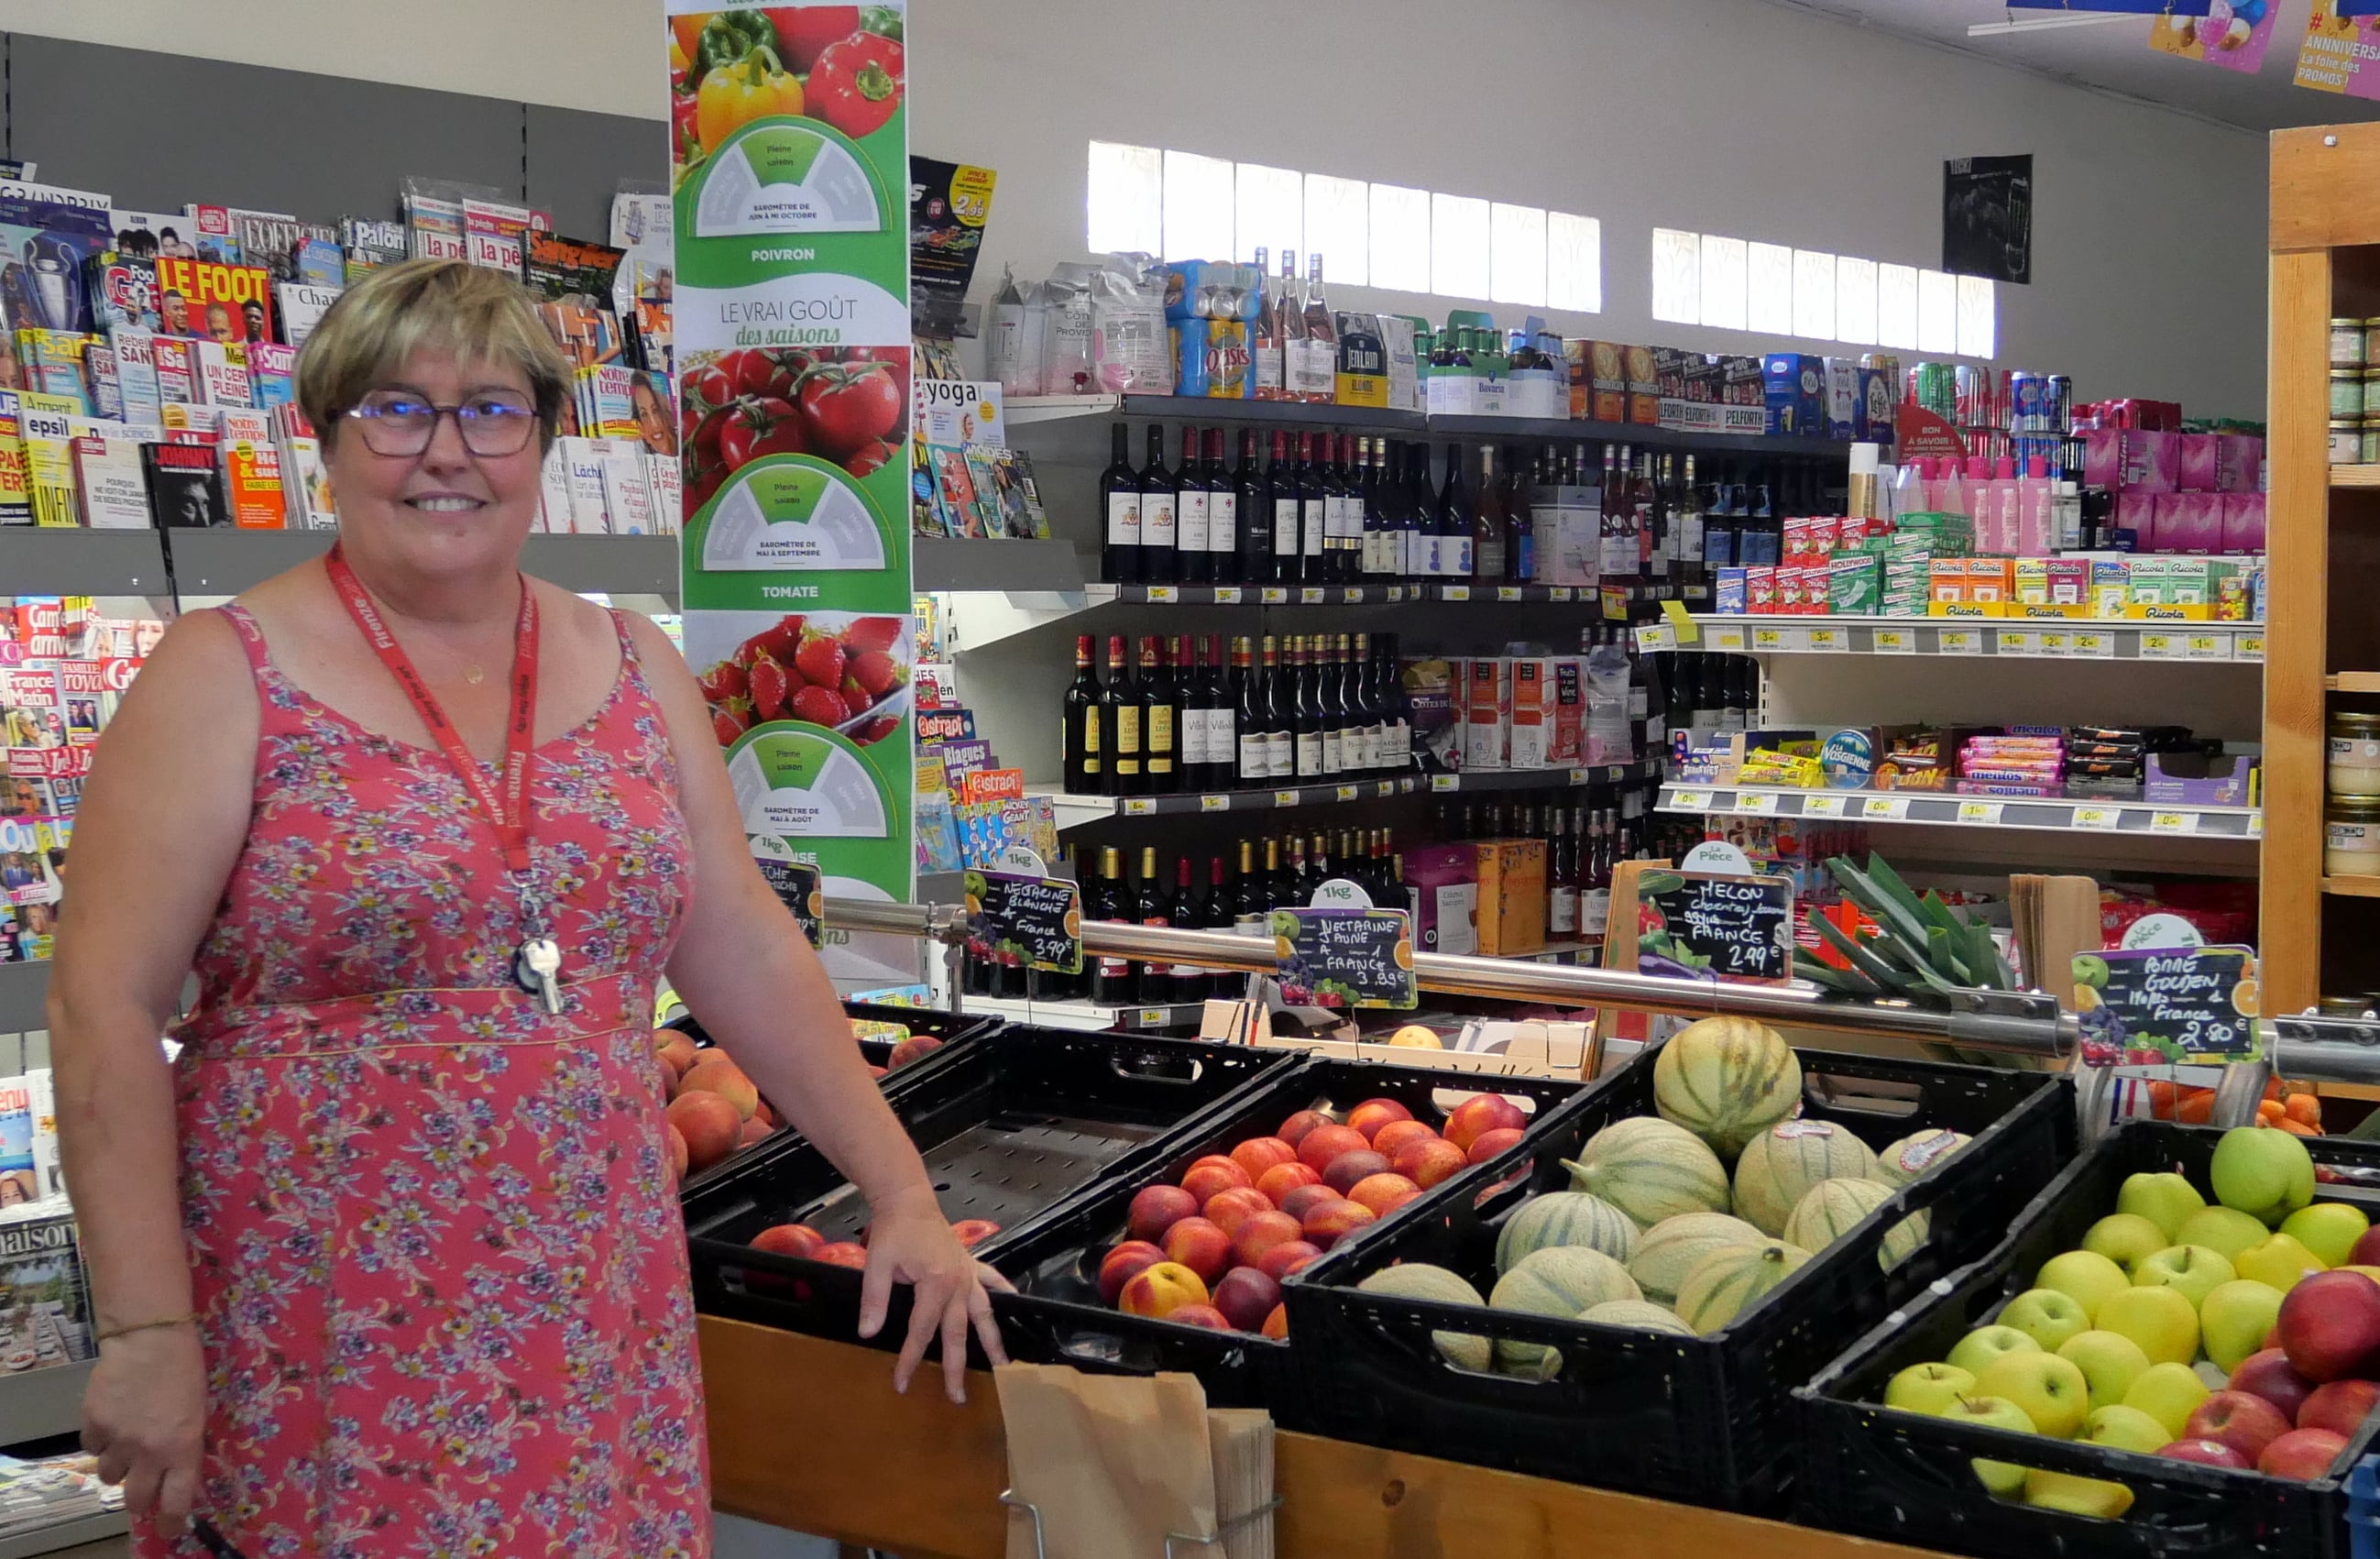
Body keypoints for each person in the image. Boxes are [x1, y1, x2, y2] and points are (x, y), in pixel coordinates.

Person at [49, 257, 1003, 1558]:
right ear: (330, 436)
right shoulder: (221, 677)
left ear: (545, 440)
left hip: (584, 1287)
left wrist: (899, 1190)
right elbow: (102, 1007)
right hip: (316, 1304)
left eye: (492, 410)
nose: (447, 452)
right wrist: (150, 1330)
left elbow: (735, 939)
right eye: (398, 408)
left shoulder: (634, 665)